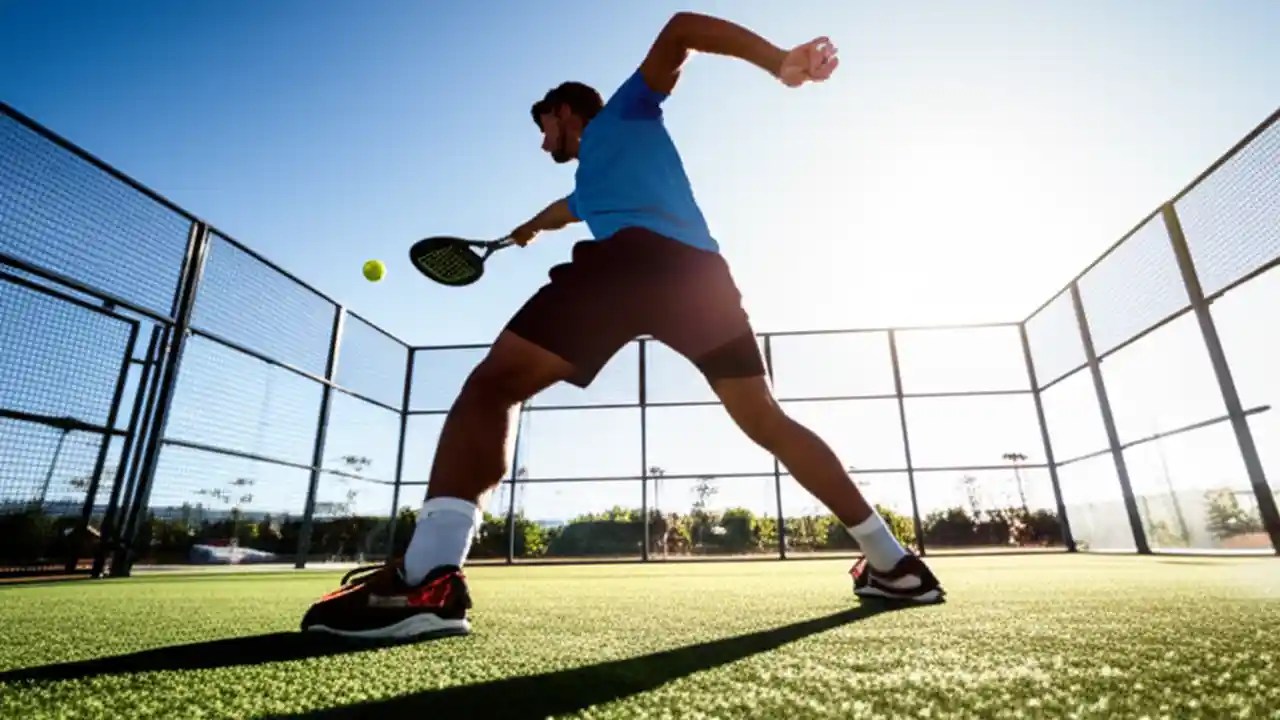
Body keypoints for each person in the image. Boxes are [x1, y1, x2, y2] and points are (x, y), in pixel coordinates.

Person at [301, 11, 945, 641]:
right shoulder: (592, 182)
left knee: (493, 388)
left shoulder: (625, 111)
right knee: (766, 419)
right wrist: (528, 228)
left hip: (631, 263)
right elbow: (566, 208)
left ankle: (426, 578)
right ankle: (893, 562)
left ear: (565, 112)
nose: (542, 140)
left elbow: (682, 28)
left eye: (544, 125)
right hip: (702, 280)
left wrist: (780, 61)